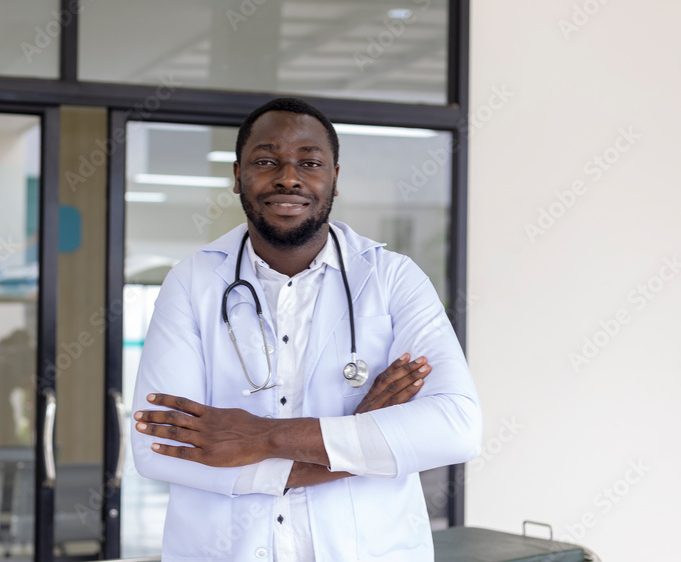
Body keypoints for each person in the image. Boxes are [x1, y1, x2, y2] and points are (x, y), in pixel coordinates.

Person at [131, 98, 481, 561]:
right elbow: (156, 447)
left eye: (309, 163)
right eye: (266, 161)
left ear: (334, 177)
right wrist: (357, 436)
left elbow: (455, 427)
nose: (288, 178)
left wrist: (260, 437)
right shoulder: (192, 282)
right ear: (237, 175)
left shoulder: (392, 278)